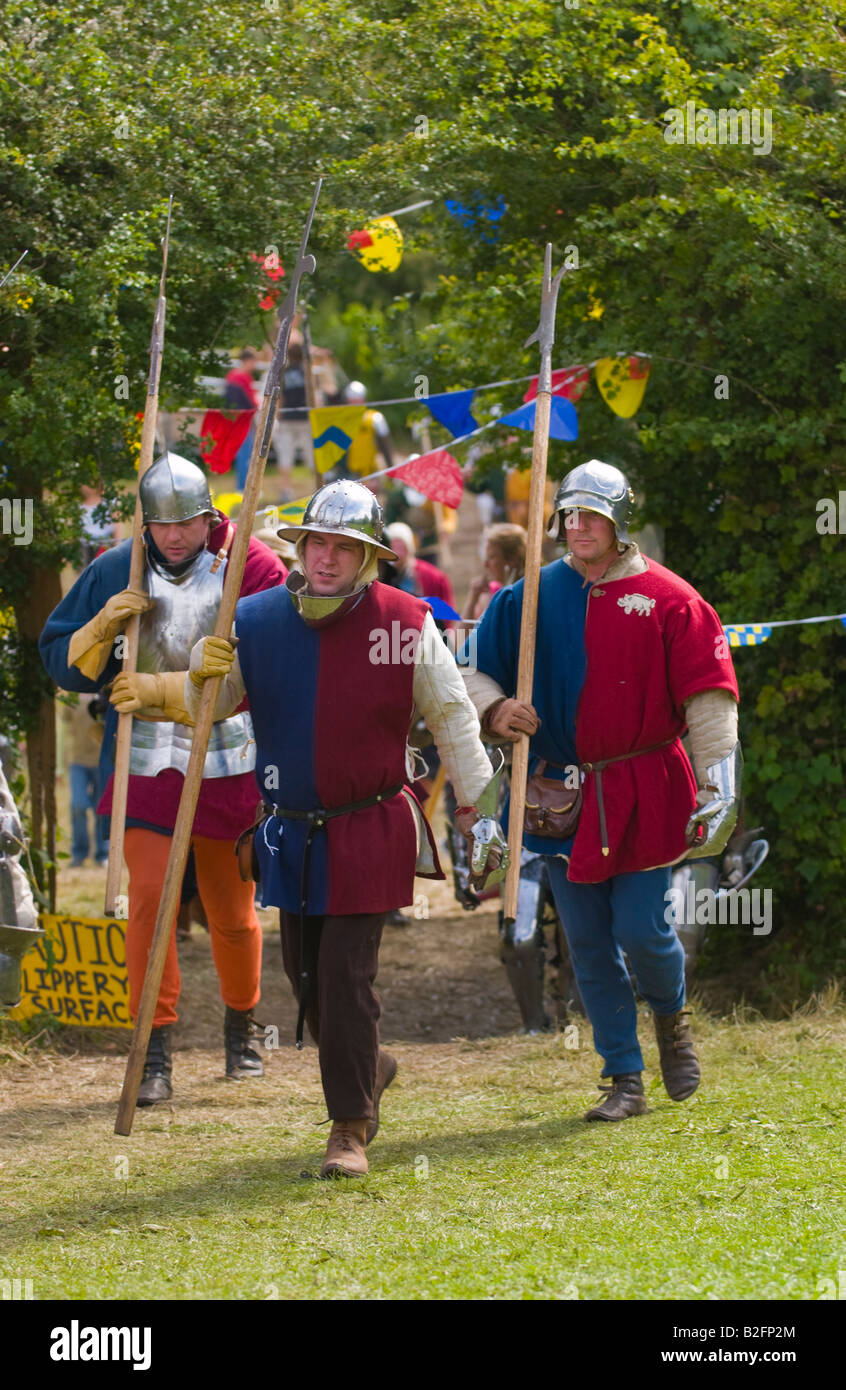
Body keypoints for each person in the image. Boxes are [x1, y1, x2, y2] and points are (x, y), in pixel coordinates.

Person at [185, 479, 507, 1177]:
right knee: (308, 979)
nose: (325, 558)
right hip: (289, 831)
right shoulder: (259, 620)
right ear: (300, 549)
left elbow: (453, 718)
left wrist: (478, 809)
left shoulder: (403, 621)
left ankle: (349, 1129)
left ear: (367, 556)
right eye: (315, 544)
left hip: (371, 826)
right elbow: (209, 707)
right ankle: (373, 1065)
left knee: (344, 975)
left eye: (343, 547)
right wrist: (197, 674)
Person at [461, 459, 741, 1121]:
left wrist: (717, 785)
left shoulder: (673, 599)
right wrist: (497, 710)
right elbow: (471, 673)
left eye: (593, 515)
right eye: (569, 514)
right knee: (585, 941)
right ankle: (624, 1076)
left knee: (643, 929)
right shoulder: (525, 598)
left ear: (619, 522)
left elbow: (709, 700)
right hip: (555, 794)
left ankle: (672, 1022)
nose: (579, 526)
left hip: (645, 787)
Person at [39, 453, 287, 1104]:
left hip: (227, 759)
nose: (174, 537)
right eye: (161, 525)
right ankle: (154, 1051)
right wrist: (99, 629)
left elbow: (275, 663)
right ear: (146, 523)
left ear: (210, 517)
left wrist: (171, 682)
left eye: (187, 524)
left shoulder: (253, 566)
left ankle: (243, 1028)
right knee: (148, 901)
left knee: (232, 915)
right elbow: (60, 661)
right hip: (144, 759)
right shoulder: (117, 567)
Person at [61, 693, 108, 866]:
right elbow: (63, 731)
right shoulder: (71, 697)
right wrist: (59, 765)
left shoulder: (106, 694)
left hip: (101, 762)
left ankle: (102, 854)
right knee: (78, 805)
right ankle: (79, 853)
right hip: (78, 761)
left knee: (101, 809)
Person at [461, 522, 527, 623]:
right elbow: (460, 637)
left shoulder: (530, 592)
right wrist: (472, 599)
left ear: (512, 560)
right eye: (486, 557)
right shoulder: (491, 593)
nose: (485, 564)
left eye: (491, 557)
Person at [225, 348, 260, 490]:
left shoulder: (231, 375)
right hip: (244, 420)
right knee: (246, 455)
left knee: (241, 454)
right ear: (248, 360)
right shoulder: (244, 377)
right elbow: (251, 400)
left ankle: (241, 486)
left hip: (233, 420)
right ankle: (244, 487)